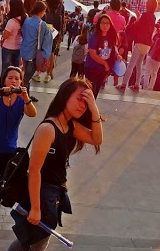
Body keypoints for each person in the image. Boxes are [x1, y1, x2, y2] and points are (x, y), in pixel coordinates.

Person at [9, 77, 104, 251]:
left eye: (86, 102)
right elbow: (34, 171)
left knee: (32, 242)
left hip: (53, 195)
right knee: (33, 243)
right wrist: (36, 209)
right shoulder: (48, 129)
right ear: (65, 96)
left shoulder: (70, 126)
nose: (82, 105)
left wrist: (94, 108)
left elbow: (96, 138)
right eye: (79, 99)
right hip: (40, 195)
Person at [0, 67, 37, 213]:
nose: (13, 81)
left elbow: (33, 114)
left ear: (21, 81)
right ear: (4, 79)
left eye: (17, 78)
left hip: (9, 148)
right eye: (10, 78)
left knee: (5, 177)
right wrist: (0, 92)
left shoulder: (22, 101)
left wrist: (26, 98)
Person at [18, 1, 55, 88]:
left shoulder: (27, 21)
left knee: (26, 74)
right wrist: (45, 54)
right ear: (41, 11)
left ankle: (26, 94)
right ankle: (23, 96)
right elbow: (47, 41)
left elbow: (23, 33)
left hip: (25, 50)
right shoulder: (42, 24)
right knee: (27, 78)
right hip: (34, 54)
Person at [125, 0, 158, 90]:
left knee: (131, 65)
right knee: (139, 65)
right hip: (147, 44)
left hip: (140, 42)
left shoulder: (145, 15)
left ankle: (123, 84)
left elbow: (138, 26)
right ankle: (137, 85)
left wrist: (138, 16)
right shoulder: (153, 17)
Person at [85, 14, 117, 97]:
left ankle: (91, 109)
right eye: (103, 23)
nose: (105, 25)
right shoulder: (94, 36)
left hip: (103, 70)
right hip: (92, 68)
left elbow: (112, 50)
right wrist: (105, 63)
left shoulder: (110, 37)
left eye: (107, 23)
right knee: (90, 92)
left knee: (96, 91)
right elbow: (93, 54)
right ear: (99, 24)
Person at [0, 0, 25, 72]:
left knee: (5, 70)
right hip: (19, 46)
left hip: (8, 47)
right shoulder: (24, 18)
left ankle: (3, 83)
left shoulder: (12, 21)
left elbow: (5, 36)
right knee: (16, 70)